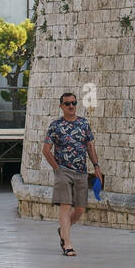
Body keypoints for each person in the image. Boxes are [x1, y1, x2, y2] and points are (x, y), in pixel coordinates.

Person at [41, 92, 102, 257]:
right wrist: (56, 168)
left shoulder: (83, 123)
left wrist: (96, 167)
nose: (71, 106)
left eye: (74, 103)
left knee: (80, 209)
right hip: (63, 171)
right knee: (65, 206)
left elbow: (90, 146)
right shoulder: (55, 126)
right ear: (61, 106)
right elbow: (46, 150)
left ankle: (63, 231)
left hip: (81, 171)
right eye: (67, 103)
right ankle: (67, 244)